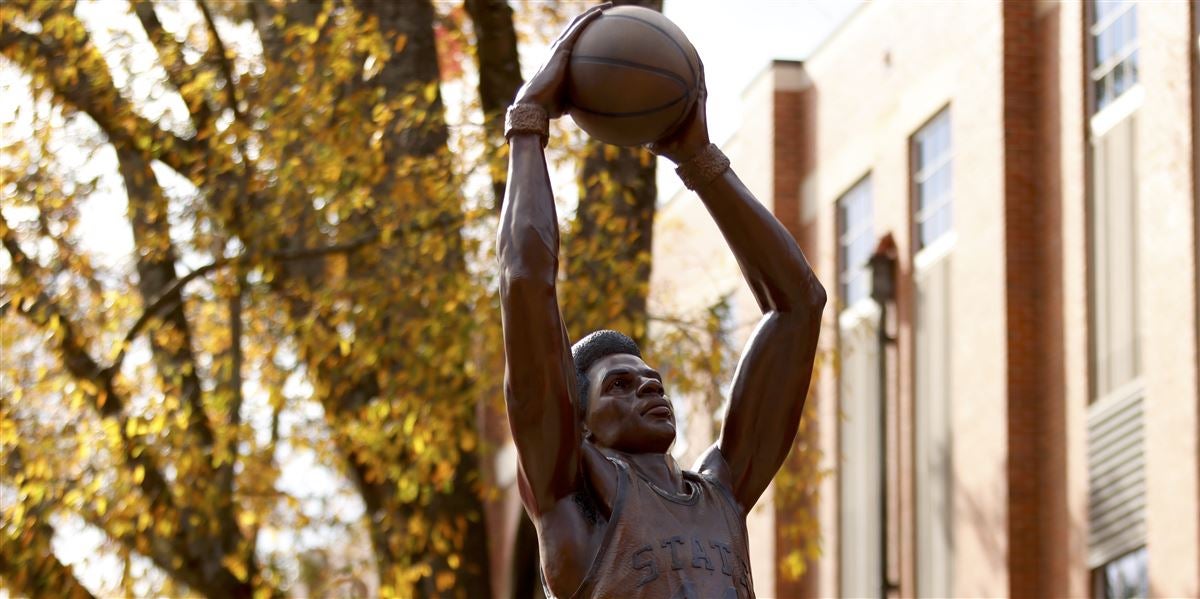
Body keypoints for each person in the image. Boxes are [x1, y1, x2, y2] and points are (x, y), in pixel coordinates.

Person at [497, 6, 826, 598]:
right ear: (581, 423)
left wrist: (698, 160)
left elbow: (798, 305)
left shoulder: (721, 495)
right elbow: (526, 282)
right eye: (618, 386)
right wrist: (528, 122)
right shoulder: (571, 500)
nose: (648, 386)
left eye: (650, 379)